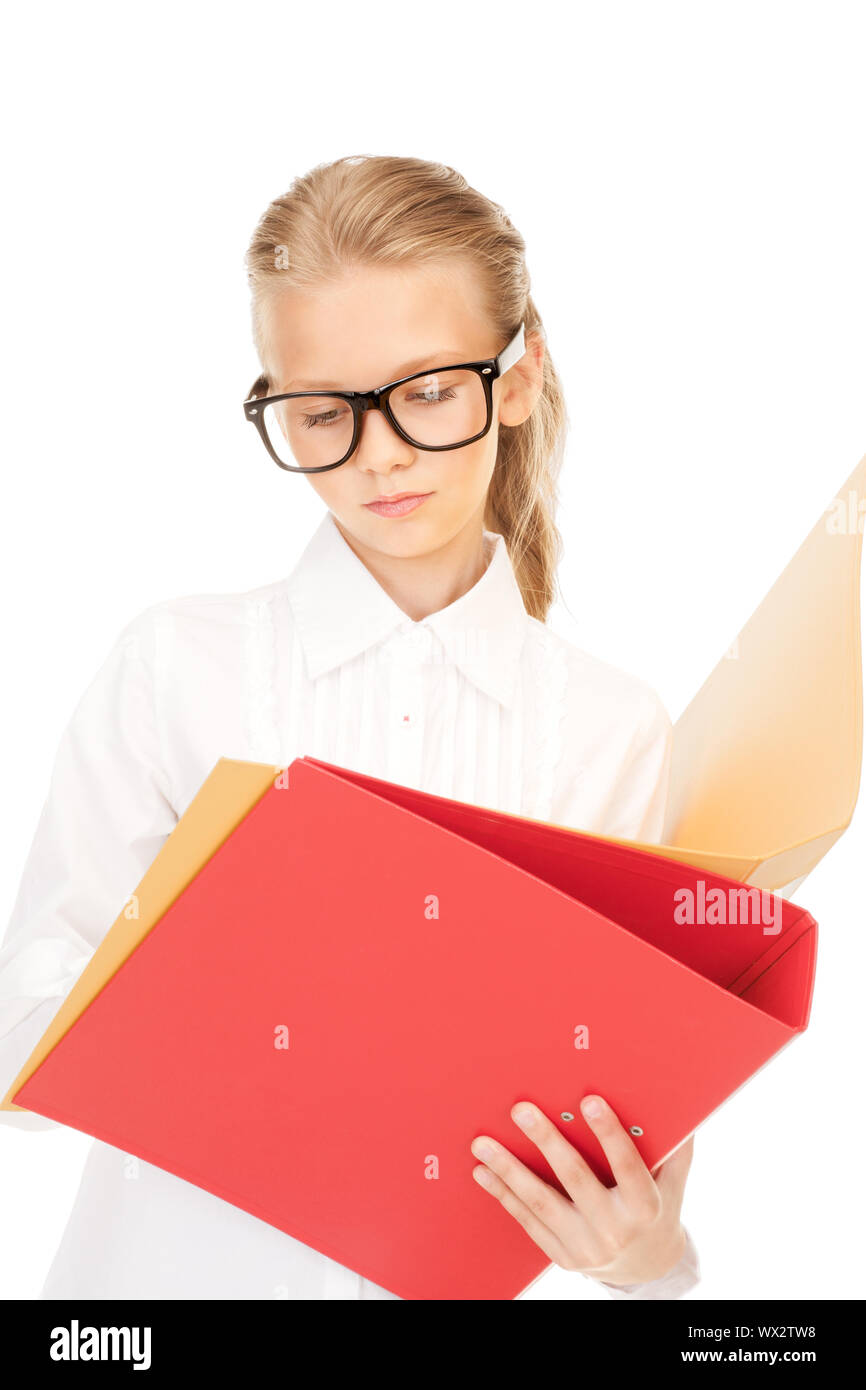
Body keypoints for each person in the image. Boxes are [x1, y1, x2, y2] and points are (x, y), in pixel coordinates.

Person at [0, 154, 699, 1300]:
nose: (377, 453)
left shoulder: (611, 730)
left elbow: (626, 1130)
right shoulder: (176, 664)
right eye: (322, 412)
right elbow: (24, 1022)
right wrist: (191, 987)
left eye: (427, 391)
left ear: (515, 378)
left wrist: (650, 1259)